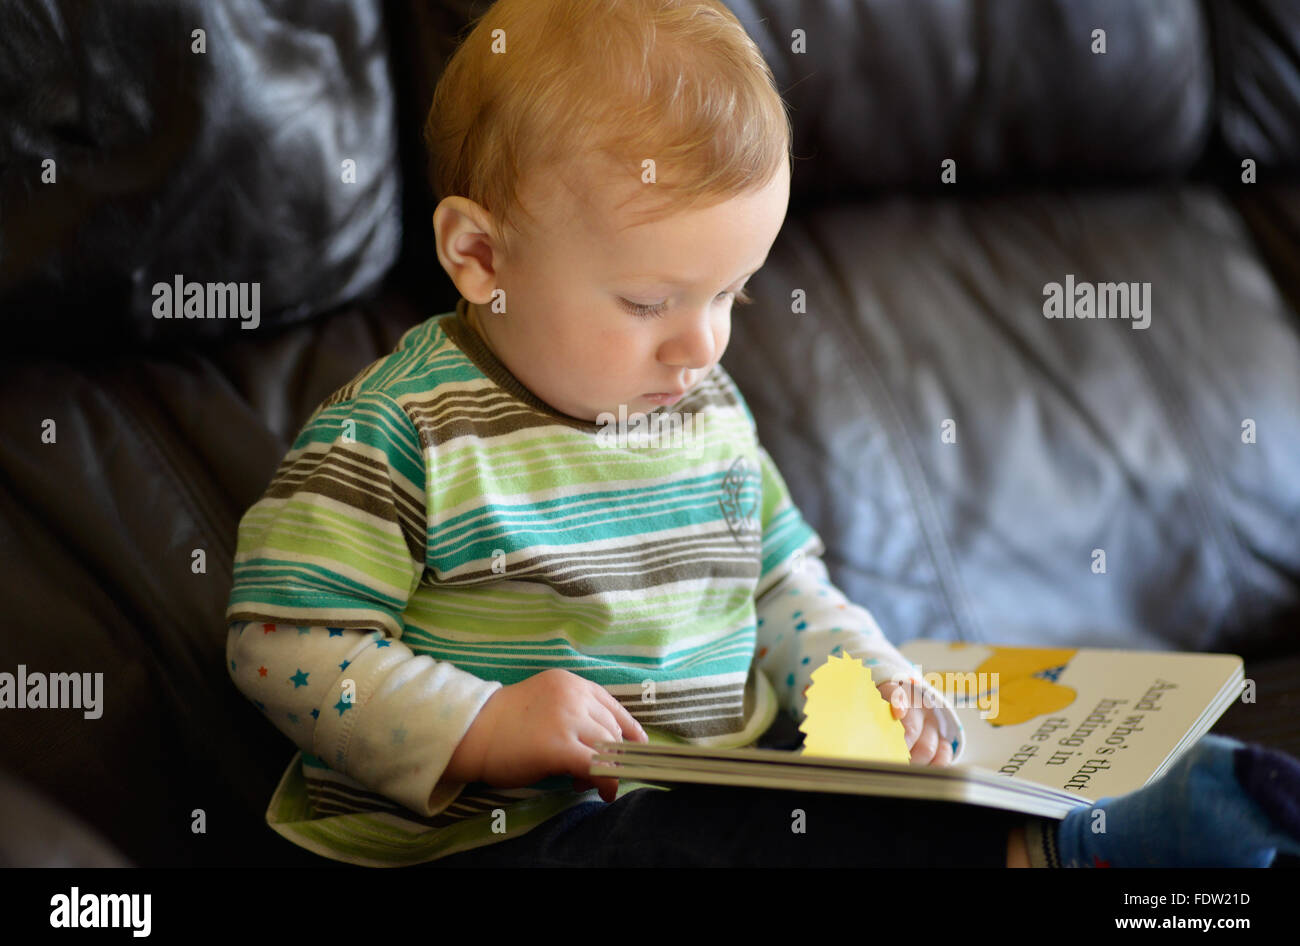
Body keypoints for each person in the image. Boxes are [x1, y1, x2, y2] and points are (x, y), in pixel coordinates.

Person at [224, 0, 1300, 869]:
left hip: (722, 775)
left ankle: (1079, 818)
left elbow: (783, 587)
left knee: (848, 790)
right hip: (503, 835)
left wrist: (865, 674)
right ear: (482, 260)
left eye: (731, 294)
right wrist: (479, 725)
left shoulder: (703, 413)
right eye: (649, 303)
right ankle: (1070, 850)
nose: (701, 347)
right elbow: (286, 647)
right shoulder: (398, 436)